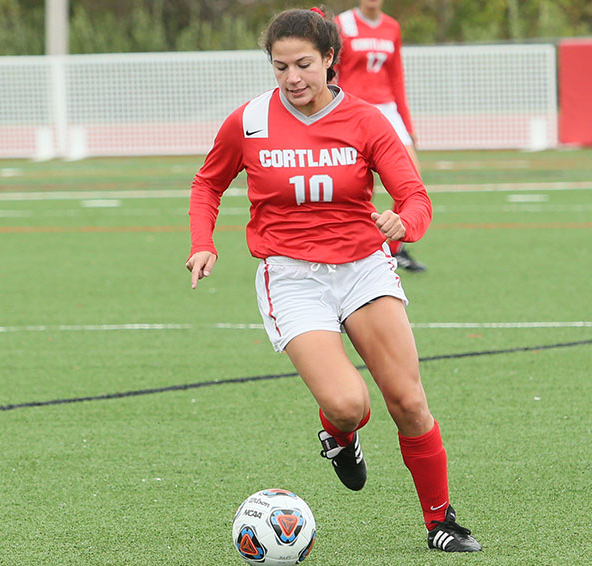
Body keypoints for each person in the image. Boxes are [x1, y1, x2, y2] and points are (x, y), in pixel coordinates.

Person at [186, 7, 481, 552]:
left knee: (408, 402)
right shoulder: (249, 121)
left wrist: (404, 222)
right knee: (350, 404)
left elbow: (415, 198)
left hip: (364, 268)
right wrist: (203, 243)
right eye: (279, 67)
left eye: (303, 64)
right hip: (292, 277)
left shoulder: (368, 121)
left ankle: (440, 520)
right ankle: (340, 435)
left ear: (329, 60)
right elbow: (207, 184)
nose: (292, 78)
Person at [334, 0, 426, 272]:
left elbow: (396, 77)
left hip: (388, 111)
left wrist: (407, 124)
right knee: (351, 183)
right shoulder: (343, 24)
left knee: (412, 181)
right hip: (354, 111)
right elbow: (331, 73)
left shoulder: (391, 27)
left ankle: (394, 249)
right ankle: (349, 248)